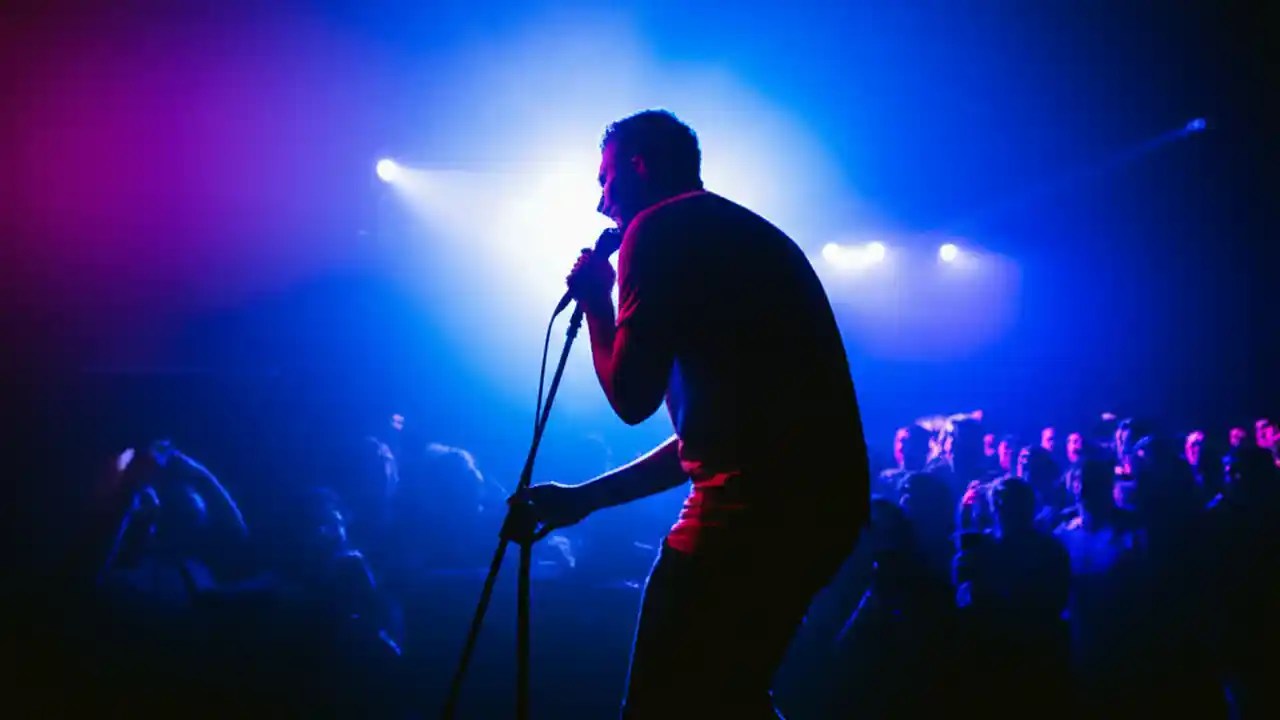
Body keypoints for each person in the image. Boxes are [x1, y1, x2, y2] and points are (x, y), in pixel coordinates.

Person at [515, 109, 869, 719]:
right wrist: (585, 499)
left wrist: (597, 301)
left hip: (749, 513)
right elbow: (709, 439)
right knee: (728, 698)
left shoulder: (657, 229)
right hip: (823, 510)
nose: (602, 205)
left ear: (639, 165)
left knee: (664, 705)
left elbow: (631, 399)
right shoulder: (744, 234)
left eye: (605, 181)